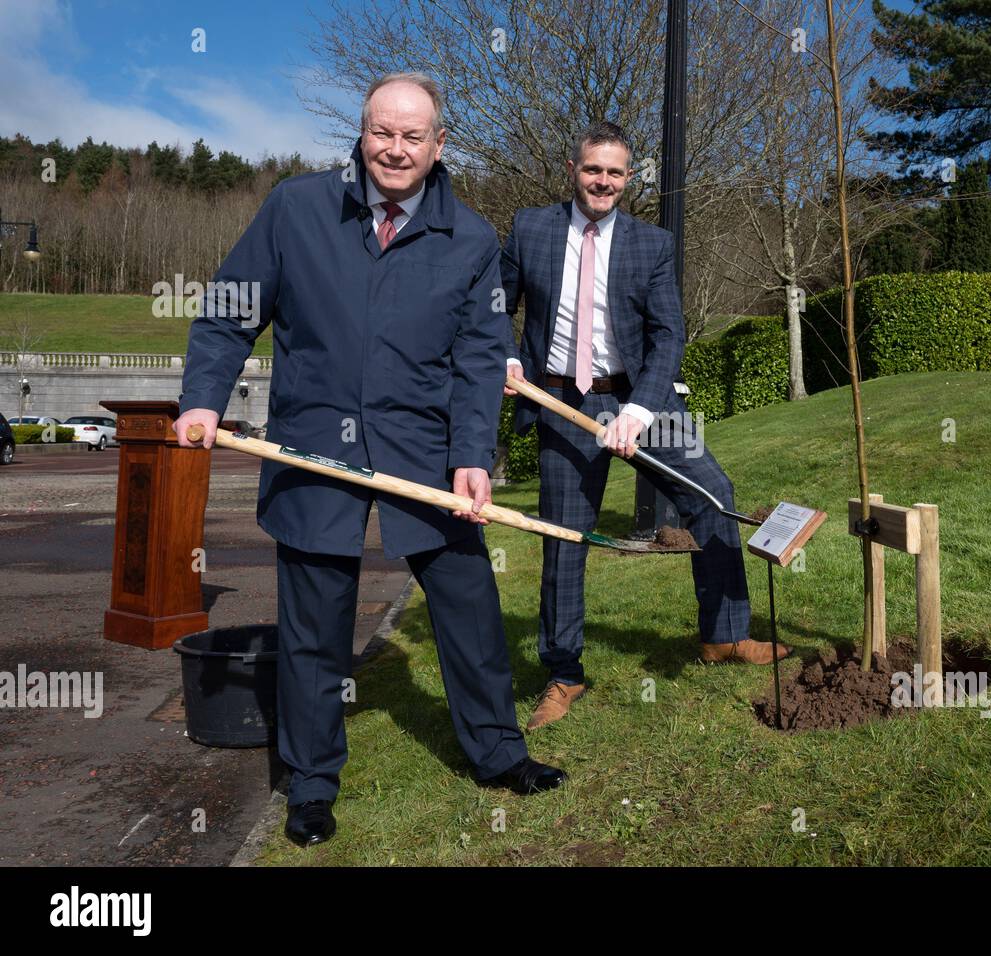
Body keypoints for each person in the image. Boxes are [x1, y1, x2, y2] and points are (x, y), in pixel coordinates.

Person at [175, 72, 565, 848]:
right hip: (313, 445)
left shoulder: (473, 239)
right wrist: (203, 398)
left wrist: (472, 456)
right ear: (362, 133)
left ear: (439, 144)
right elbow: (227, 313)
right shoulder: (297, 208)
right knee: (314, 626)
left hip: (425, 450)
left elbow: (481, 358)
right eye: (381, 131)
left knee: (469, 608)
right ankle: (312, 785)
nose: (395, 148)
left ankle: (498, 752)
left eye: (412, 136)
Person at [500, 120, 790, 731]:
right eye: (592, 169)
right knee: (565, 538)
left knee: (714, 494)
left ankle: (724, 635)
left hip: (641, 400)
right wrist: (504, 357)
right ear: (573, 170)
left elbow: (667, 335)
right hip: (561, 401)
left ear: (628, 179)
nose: (602, 181)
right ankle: (564, 673)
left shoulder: (651, 244)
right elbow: (495, 304)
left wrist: (639, 410)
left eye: (615, 172)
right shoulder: (531, 229)